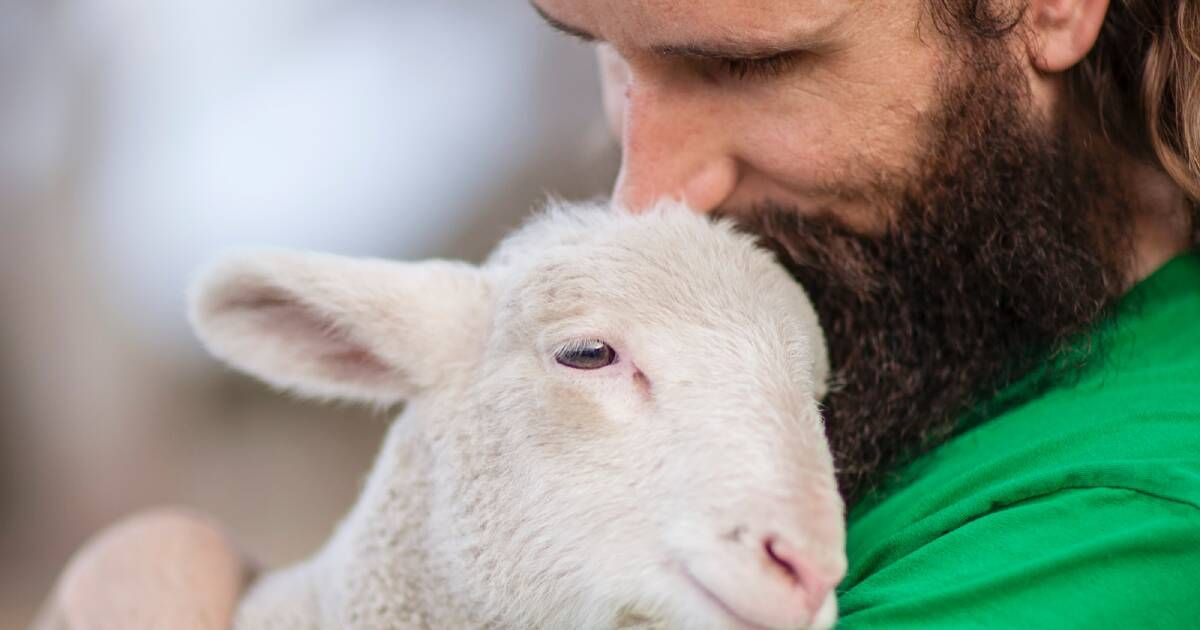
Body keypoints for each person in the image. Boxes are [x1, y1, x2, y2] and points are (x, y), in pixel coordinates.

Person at [38, 0, 1199, 627]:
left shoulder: (1130, 520)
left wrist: (143, 590)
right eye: (603, 53)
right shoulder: (936, 348)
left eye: (748, 68)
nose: (641, 194)